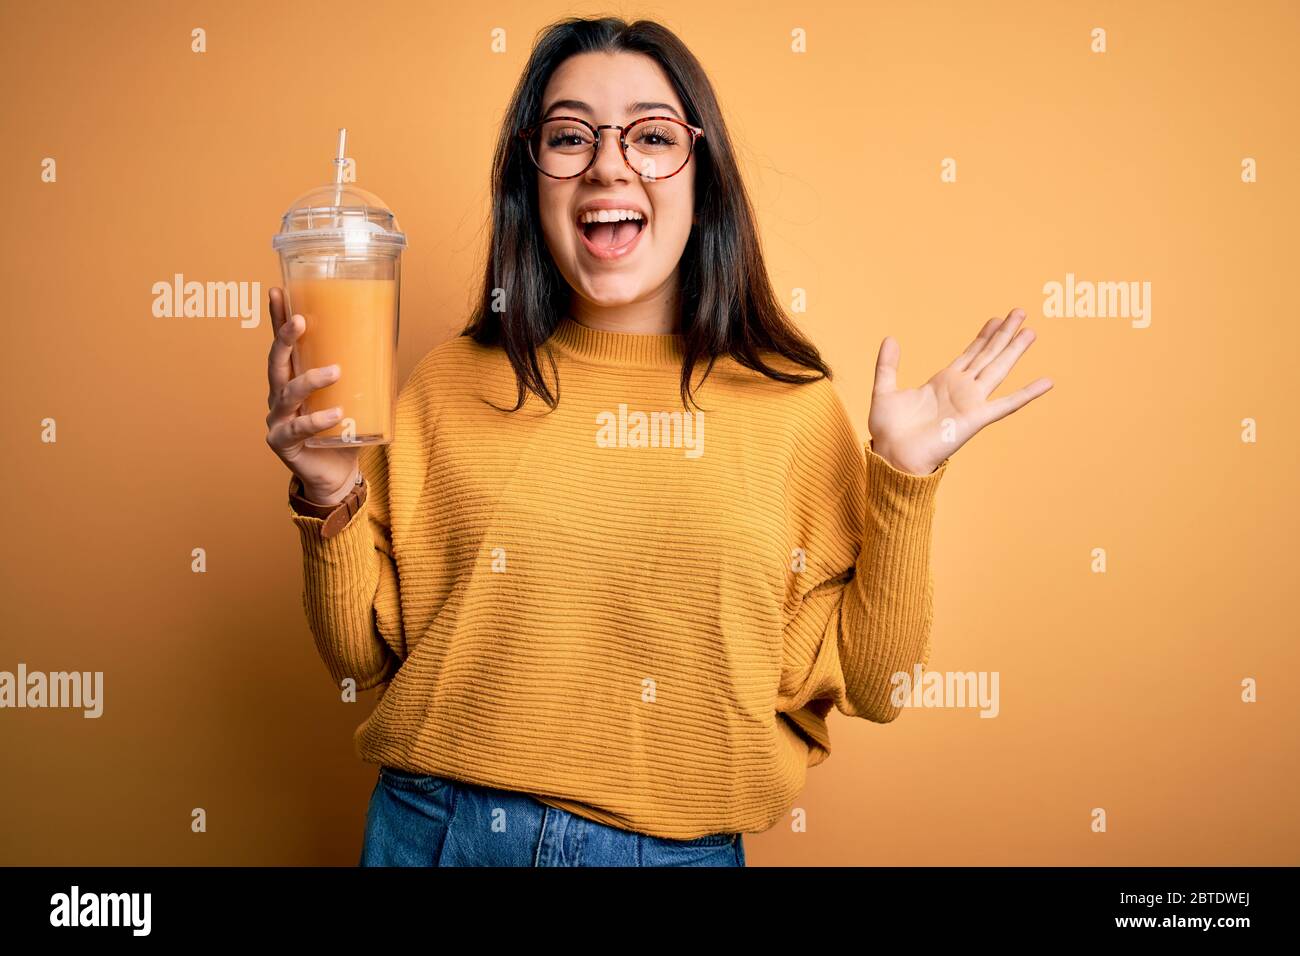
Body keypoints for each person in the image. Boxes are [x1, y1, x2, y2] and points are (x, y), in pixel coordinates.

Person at [263, 16, 1052, 868]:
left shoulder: (791, 409)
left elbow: (879, 688)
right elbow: (361, 659)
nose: (608, 163)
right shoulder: (445, 384)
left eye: (651, 136)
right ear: (531, 181)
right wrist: (325, 488)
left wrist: (904, 478)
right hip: (438, 833)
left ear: (702, 179)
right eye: (569, 136)